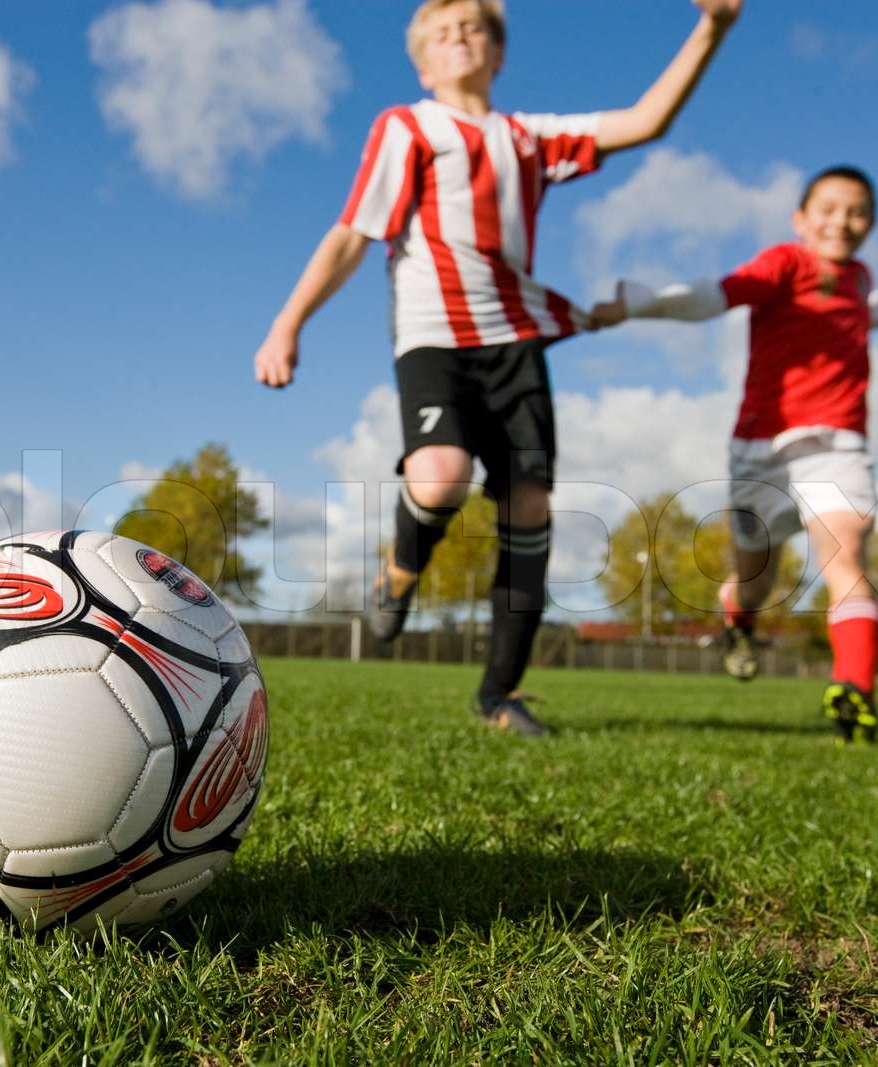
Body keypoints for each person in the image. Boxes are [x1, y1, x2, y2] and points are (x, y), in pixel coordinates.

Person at [254, 0, 742, 736]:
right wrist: (288, 322)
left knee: (529, 508)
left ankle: (499, 697)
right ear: (423, 65)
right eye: (442, 32)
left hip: (516, 341)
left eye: (473, 27)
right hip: (434, 338)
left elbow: (645, 122)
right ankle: (399, 569)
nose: (459, 37)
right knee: (440, 476)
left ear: (499, 53)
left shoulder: (529, 138)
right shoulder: (407, 126)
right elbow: (355, 232)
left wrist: (712, 28)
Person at [590, 165, 878, 743]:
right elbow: (718, 295)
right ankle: (739, 616)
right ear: (801, 218)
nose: (842, 222)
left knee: (846, 554)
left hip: (837, 445)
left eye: (857, 213)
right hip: (761, 449)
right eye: (829, 209)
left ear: (871, 224)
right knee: (757, 577)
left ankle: (855, 694)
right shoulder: (784, 264)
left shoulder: (859, 278)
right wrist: (642, 304)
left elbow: (864, 311)